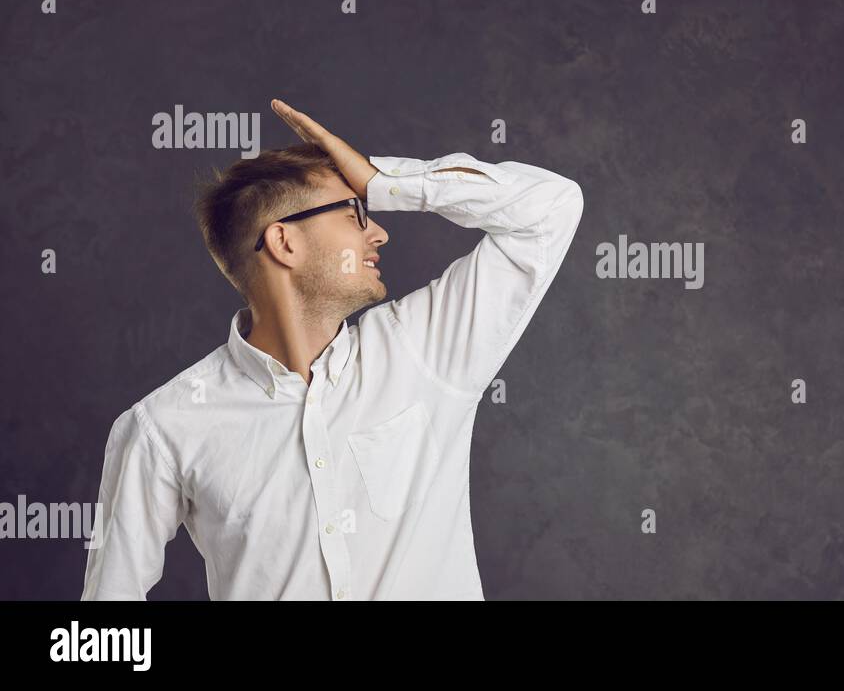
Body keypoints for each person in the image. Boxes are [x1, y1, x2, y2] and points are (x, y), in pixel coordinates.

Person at [81, 99, 584, 600]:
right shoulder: (162, 428)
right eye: (354, 214)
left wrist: (379, 182)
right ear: (284, 243)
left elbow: (551, 208)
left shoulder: (426, 347)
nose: (379, 231)